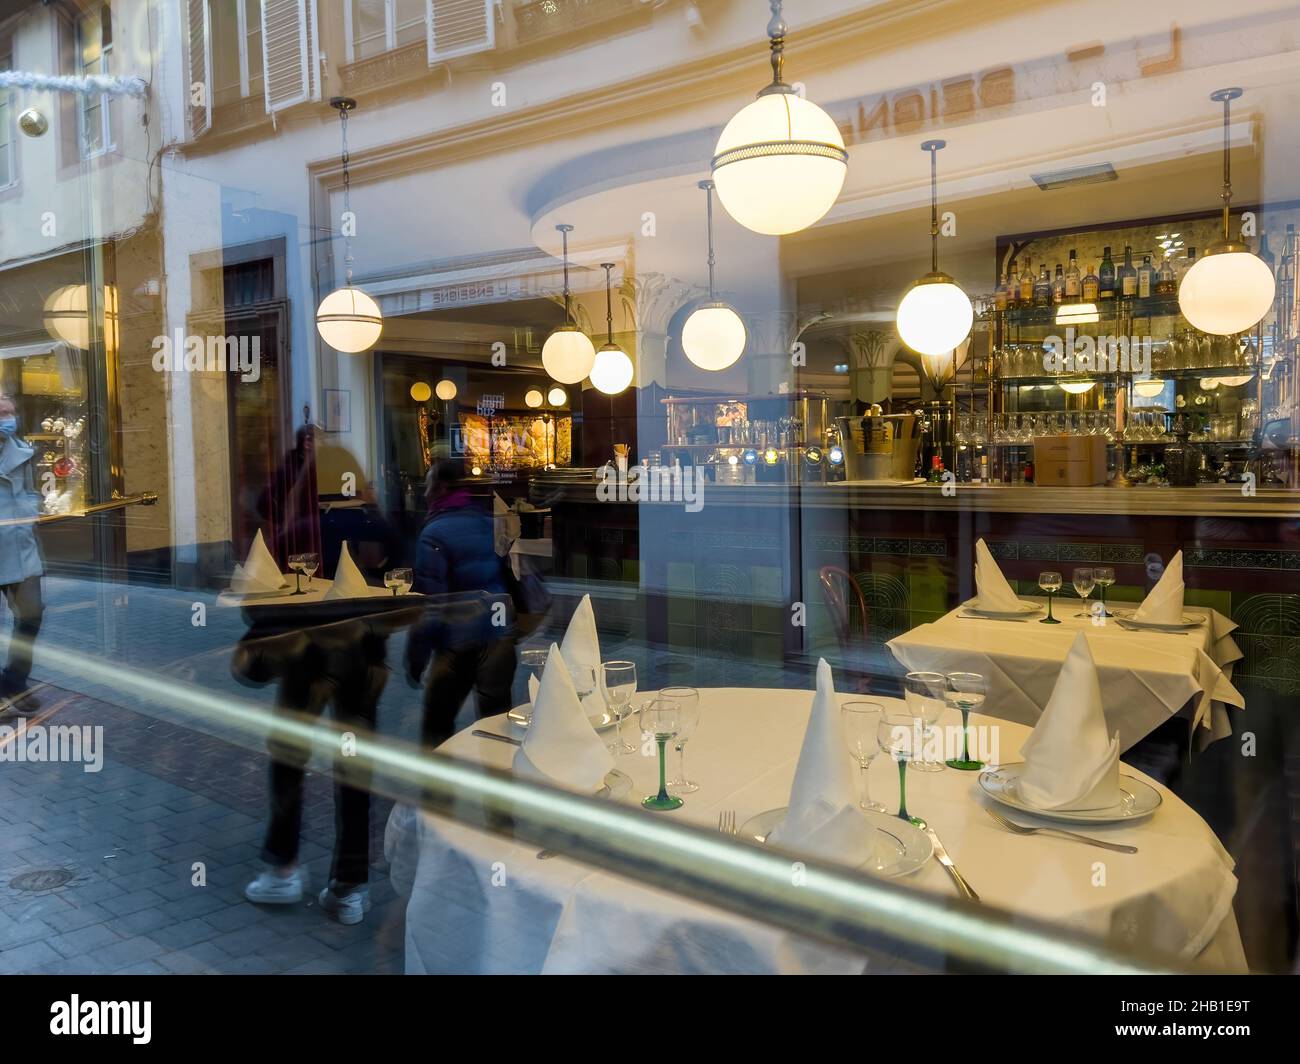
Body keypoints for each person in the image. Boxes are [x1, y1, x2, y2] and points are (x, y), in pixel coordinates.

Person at [406, 456, 517, 749]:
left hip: (458, 645)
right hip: (498, 639)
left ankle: (437, 793)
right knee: (497, 734)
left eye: (429, 485)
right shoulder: (485, 522)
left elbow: (430, 604)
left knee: (436, 729)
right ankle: (499, 792)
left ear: (441, 488)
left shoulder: (434, 533)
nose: (425, 492)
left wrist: (416, 654)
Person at [0, 395, 44, 718]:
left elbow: (32, 491)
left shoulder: (23, 450)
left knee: (31, 615)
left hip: (20, 546)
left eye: (11, 412)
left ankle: (15, 682)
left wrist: (31, 510)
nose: (9, 417)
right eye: (3, 412)